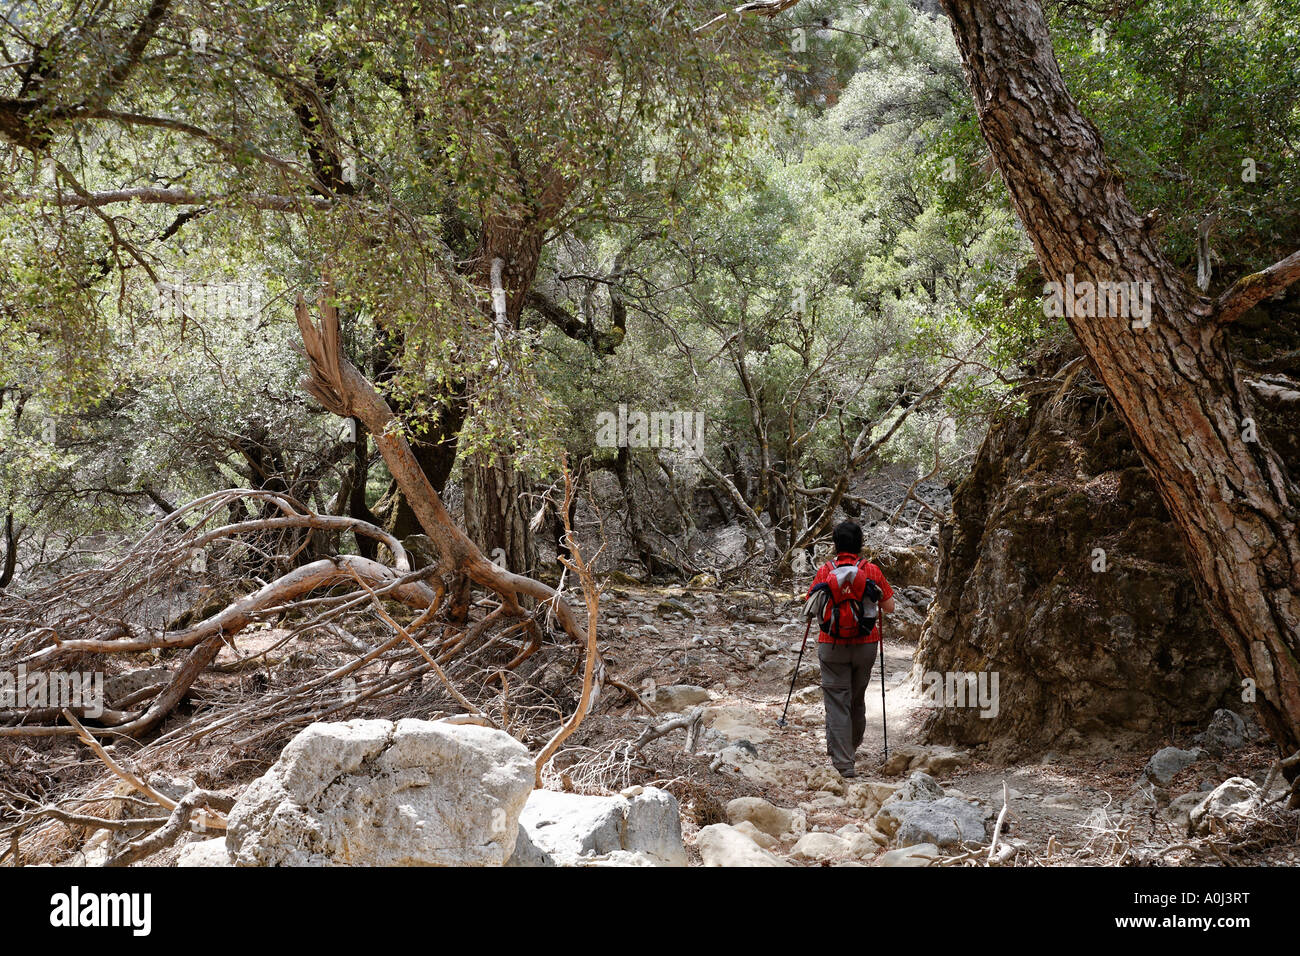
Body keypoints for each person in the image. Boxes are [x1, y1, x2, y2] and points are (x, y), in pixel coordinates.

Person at [805, 520, 894, 778]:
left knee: (836, 702)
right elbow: (889, 607)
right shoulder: (872, 571)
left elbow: (810, 607)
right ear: (860, 543)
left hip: (831, 645)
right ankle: (851, 747)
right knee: (856, 698)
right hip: (866, 646)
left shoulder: (824, 571)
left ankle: (844, 762)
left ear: (835, 545)